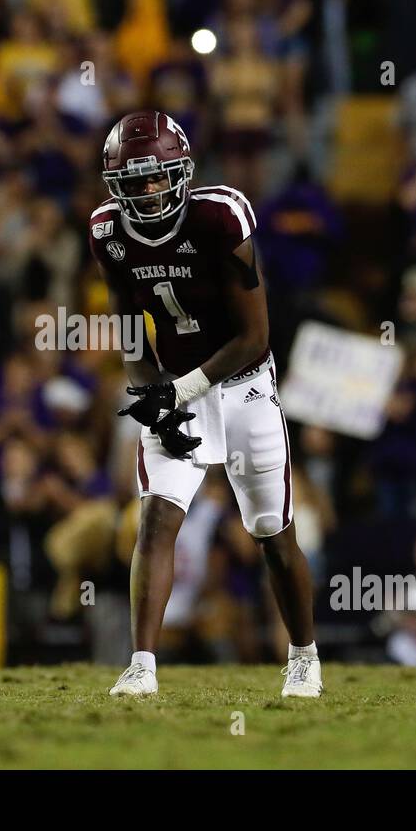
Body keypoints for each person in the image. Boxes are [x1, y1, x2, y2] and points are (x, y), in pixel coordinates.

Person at [88, 110, 321, 698]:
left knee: (272, 531)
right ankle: (141, 666)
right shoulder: (107, 231)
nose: (147, 189)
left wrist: (180, 391)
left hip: (242, 383)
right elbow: (128, 327)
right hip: (172, 382)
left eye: (157, 176)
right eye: (134, 179)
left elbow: (255, 336)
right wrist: (150, 398)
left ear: (181, 172)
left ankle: (304, 657)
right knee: (157, 517)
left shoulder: (220, 215)